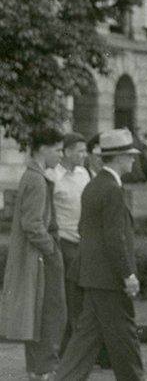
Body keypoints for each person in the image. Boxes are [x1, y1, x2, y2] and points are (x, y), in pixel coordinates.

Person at [56, 128, 144, 381]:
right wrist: (127, 274)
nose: (133, 160)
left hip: (93, 276)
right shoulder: (112, 190)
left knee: (85, 340)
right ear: (118, 158)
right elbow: (114, 239)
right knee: (125, 338)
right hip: (109, 280)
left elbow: (85, 230)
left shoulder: (93, 185)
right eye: (129, 155)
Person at [0, 128, 66, 381]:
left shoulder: (32, 175)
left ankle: (38, 370)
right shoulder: (37, 180)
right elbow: (32, 224)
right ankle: (44, 370)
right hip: (41, 258)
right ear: (43, 149)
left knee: (37, 315)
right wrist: (52, 250)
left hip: (37, 256)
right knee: (50, 314)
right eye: (58, 149)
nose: (60, 155)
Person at [48, 132, 92, 355]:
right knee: (69, 299)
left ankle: (81, 349)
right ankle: (69, 352)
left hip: (85, 243)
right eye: (80, 151)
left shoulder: (84, 174)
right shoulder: (53, 177)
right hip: (65, 245)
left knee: (84, 299)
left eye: (85, 151)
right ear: (66, 152)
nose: (85, 155)